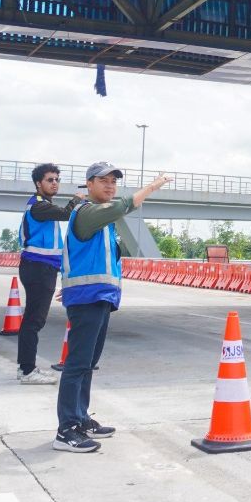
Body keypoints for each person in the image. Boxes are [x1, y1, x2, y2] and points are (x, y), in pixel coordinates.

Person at [53, 161, 171, 453]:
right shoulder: (89, 213)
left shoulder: (100, 222)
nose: (110, 185)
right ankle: (66, 429)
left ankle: (80, 418)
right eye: (102, 180)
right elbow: (122, 207)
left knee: (88, 364)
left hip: (99, 297)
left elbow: (87, 257)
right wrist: (154, 186)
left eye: (113, 181)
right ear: (88, 184)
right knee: (77, 364)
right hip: (88, 299)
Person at [16, 163, 81, 384]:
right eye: (50, 180)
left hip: (42, 267)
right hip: (38, 267)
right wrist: (77, 200)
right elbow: (66, 214)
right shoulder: (39, 207)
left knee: (34, 319)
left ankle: (27, 368)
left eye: (56, 180)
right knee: (34, 320)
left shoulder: (42, 206)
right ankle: (27, 371)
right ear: (38, 183)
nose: (54, 183)